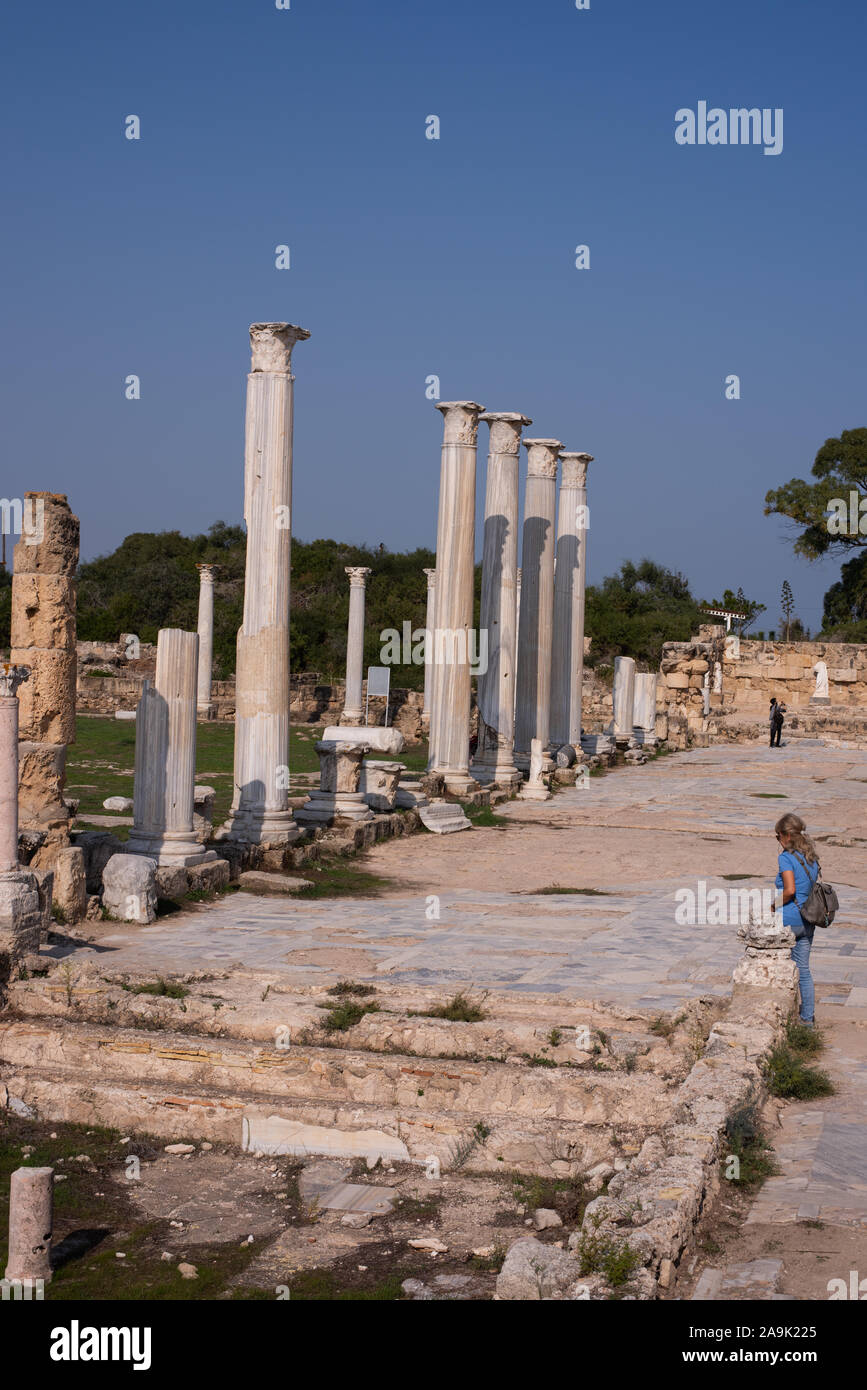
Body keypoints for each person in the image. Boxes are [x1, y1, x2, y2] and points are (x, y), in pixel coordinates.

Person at [774, 812, 820, 1025]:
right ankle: (807, 1021)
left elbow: (790, 890)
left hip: (789, 918)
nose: (777, 840)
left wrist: (773, 905)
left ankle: (777, 1017)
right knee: (803, 970)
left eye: (778, 836)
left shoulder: (786, 857)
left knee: (774, 967)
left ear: (787, 836)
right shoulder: (811, 857)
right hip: (808, 920)